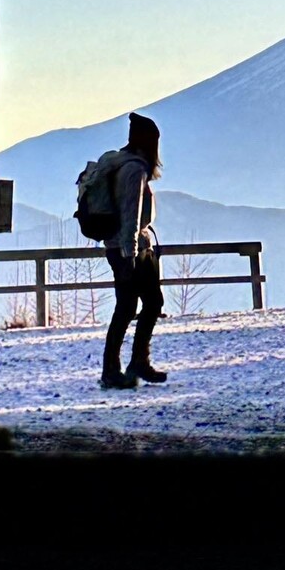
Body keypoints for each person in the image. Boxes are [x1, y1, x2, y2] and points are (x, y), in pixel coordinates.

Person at [101, 112, 168, 389]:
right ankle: (131, 363)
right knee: (147, 304)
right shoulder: (135, 171)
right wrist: (130, 254)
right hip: (132, 249)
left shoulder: (120, 164)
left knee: (128, 306)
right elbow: (131, 214)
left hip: (121, 247)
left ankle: (116, 367)